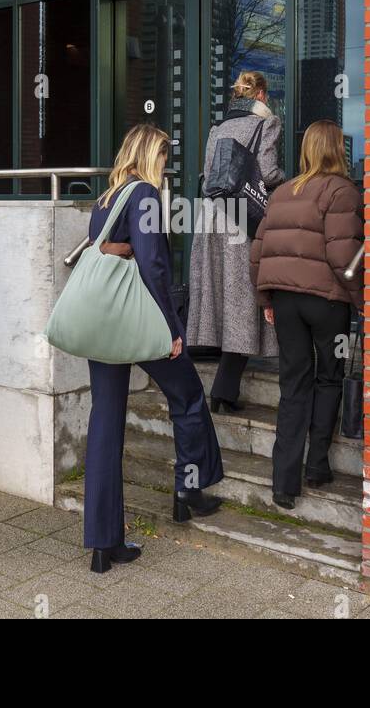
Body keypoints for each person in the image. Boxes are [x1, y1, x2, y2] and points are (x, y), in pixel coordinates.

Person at [83, 123, 225, 573]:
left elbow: (101, 248)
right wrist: (172, 327)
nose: (166, 168)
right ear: (150, 155)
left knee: (105, 422)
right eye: (164, 158)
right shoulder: (144, 194)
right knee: (187, 397)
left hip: (103, 322)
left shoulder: (106, 197)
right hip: (142, 321)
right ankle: (189, 489)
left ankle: (103, 545)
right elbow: (153, 264)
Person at [250, 120, 363, 509]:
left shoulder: (282, 192)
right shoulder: (343, 191)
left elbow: (258, 251)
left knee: (293, 385)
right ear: (338, 150)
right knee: (329, 377)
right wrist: (361, 301)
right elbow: (344, 257)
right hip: (327, 302)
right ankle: (317, 466)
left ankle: (283, 484)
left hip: (286, 301)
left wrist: (267, 300)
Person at [187, 70, 286, 415]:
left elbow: (208, 176)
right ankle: (225, 390)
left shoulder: (218, 129)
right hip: (243, 218)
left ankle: (223, 388)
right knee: (245, 297)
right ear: (260, 95)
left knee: (224, 296)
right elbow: (269, 173)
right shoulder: (267, 123)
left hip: (213, 217)